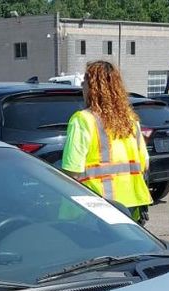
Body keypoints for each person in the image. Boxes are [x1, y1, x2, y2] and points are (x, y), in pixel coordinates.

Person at [61, 60, 153, 224]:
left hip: (93, 210)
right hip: (132, 208)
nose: (82, 86)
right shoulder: (131, 121)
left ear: (93, 88)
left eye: (85, 82)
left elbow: (72, 172)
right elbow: (144, 163)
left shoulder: (82, 120)